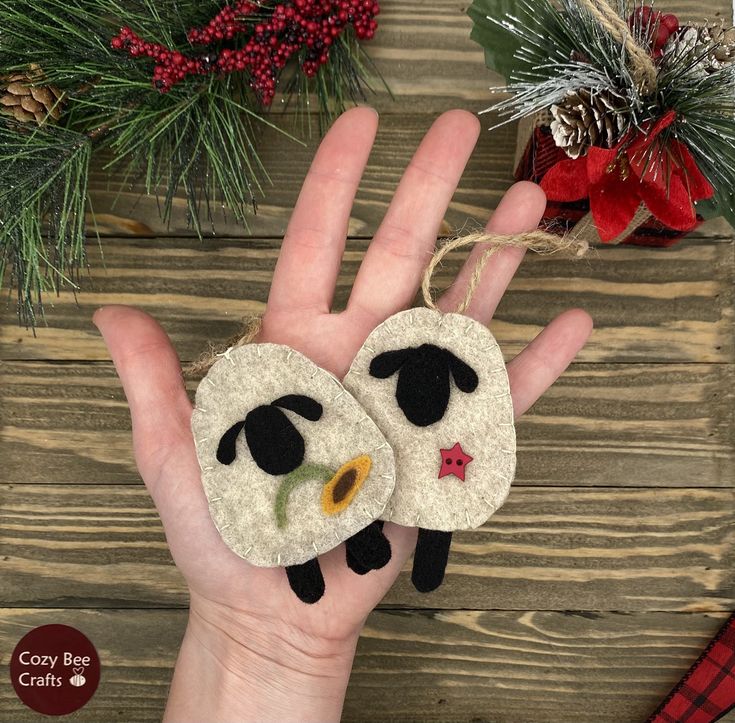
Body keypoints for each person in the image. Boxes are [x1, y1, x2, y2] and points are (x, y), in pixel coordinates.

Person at [93, 107, 593, 722]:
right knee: (318, 506)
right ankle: (338, 550)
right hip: (299, 446)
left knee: (382, 497)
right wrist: (257, 644)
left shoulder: (386, 380)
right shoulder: (278, 410)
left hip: (358, 434)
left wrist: (261, 651)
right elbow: (250, 445)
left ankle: (365, 542)